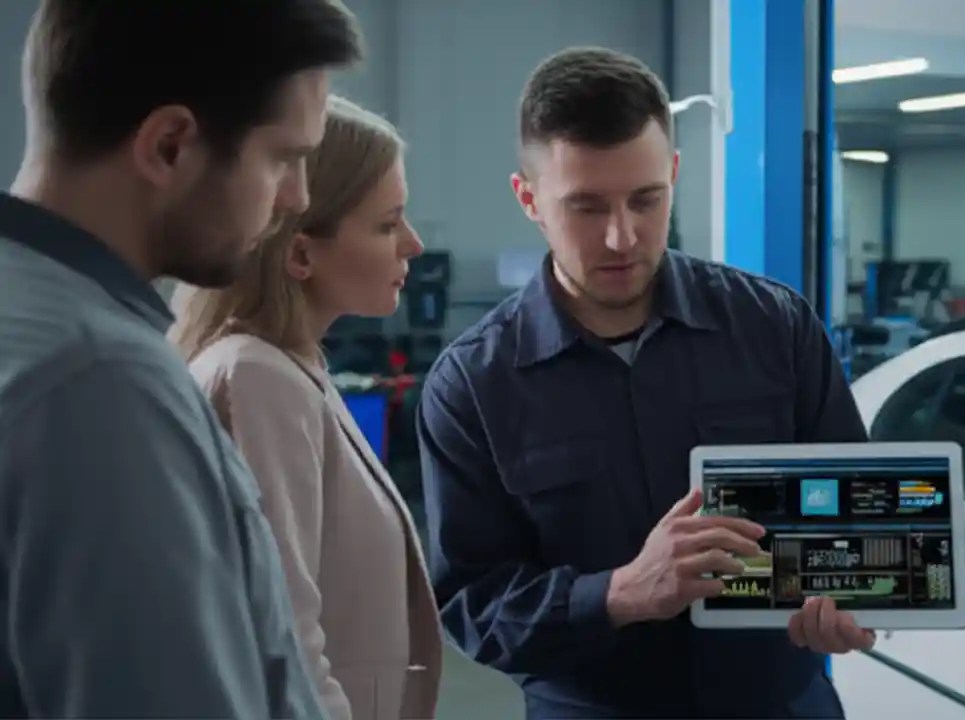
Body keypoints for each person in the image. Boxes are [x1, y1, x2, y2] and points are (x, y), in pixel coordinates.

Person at [418, 46, 875, 720]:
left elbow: (856, 512)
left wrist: (849, 598)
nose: (621, 237)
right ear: (529, 199)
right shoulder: (473, 387)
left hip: (780, 703)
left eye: (646, 199)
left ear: (675, 174)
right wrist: (618, 593)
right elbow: (473, 608)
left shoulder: (775, 329)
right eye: (586, 207)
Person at [0, 1, 361, 717]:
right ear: (169, 145)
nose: (299, 198)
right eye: (283, 158)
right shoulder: (100, 385)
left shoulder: (31, 317)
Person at [170, 94, 443, 720]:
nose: (414, 244)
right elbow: (286, 637)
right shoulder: (258, 379)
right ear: (300, 253)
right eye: (387, 223)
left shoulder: (293, 370)